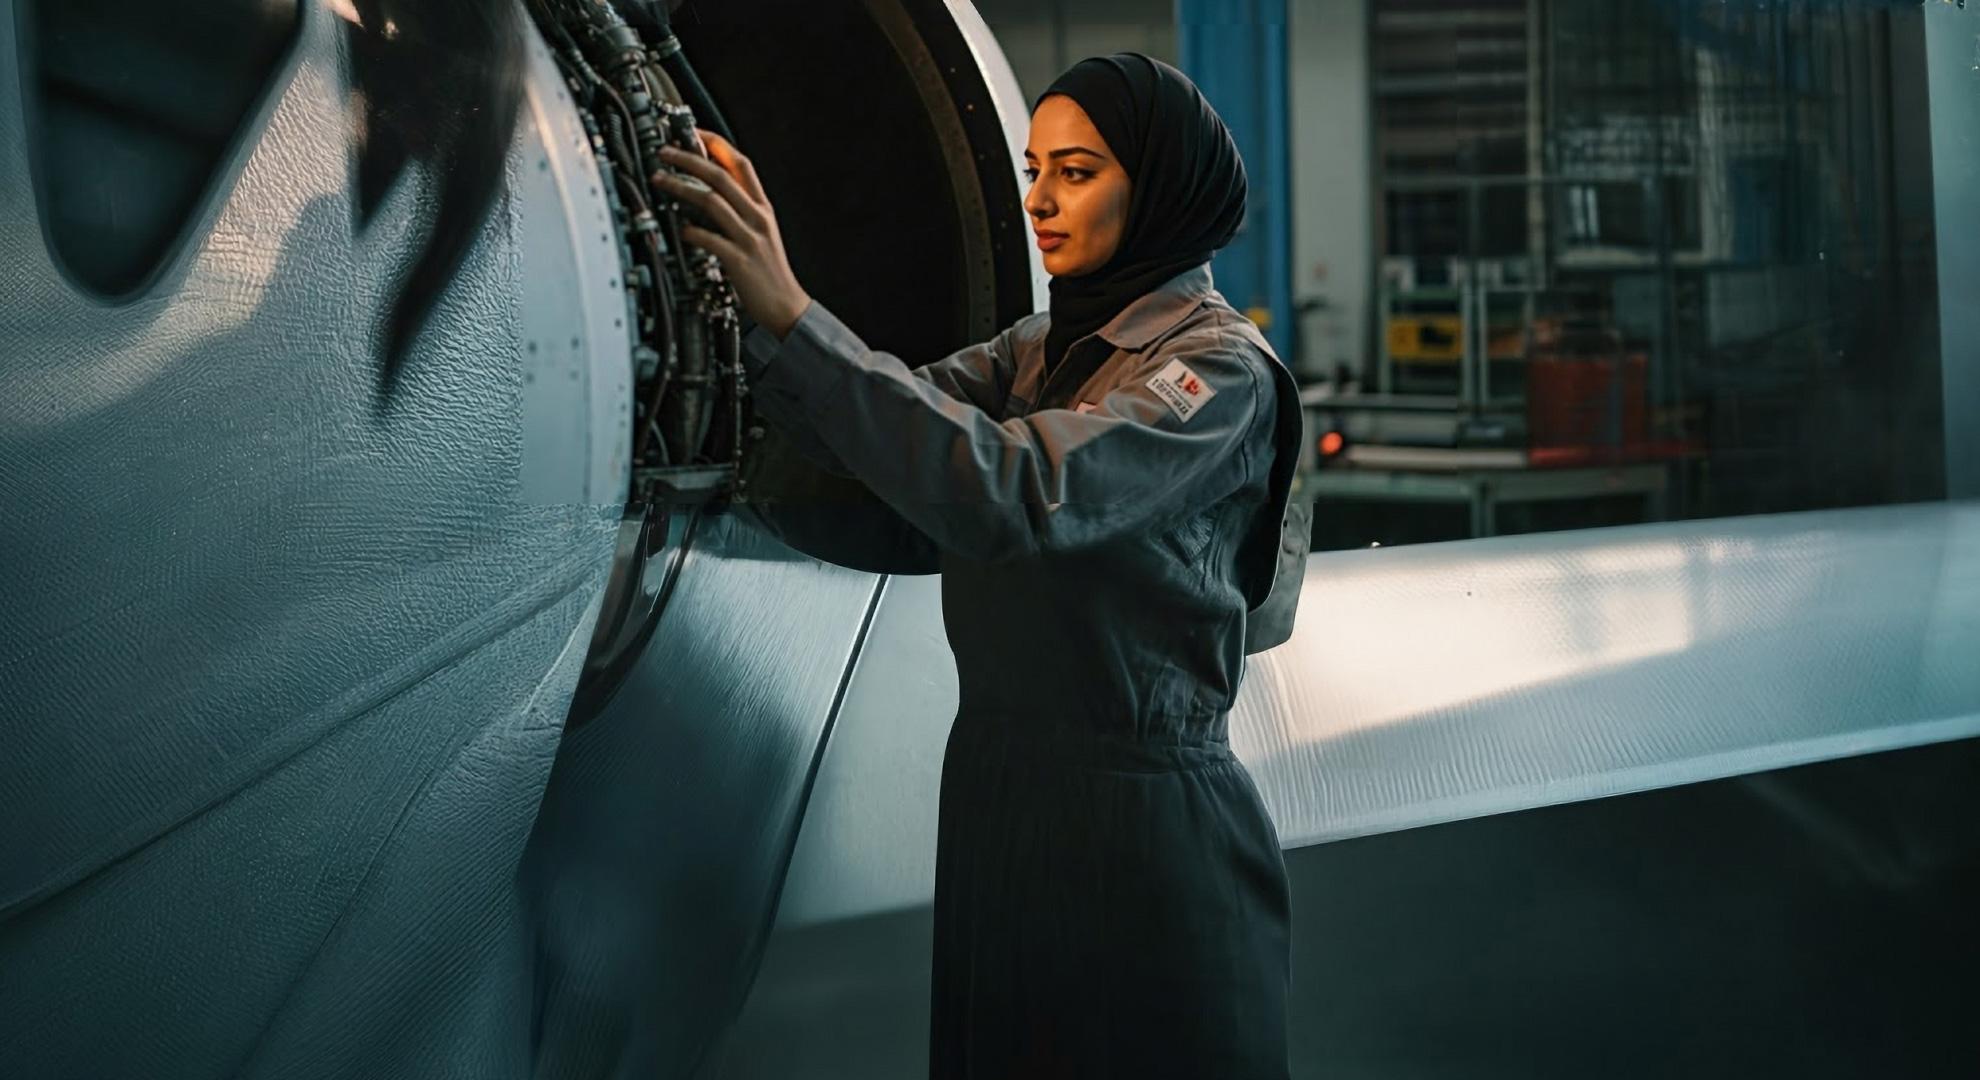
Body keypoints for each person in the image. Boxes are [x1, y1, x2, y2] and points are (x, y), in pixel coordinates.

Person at [655, 52, 1300, 1079]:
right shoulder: (1039, 350)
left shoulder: (1213, 375)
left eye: (1078, 173)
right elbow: (877, 430)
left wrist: (791, 311)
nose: (1039, 200)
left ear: (1163, 188)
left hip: (1144, 820)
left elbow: (1016, 490)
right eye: (1034, 169)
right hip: (1002, 803)